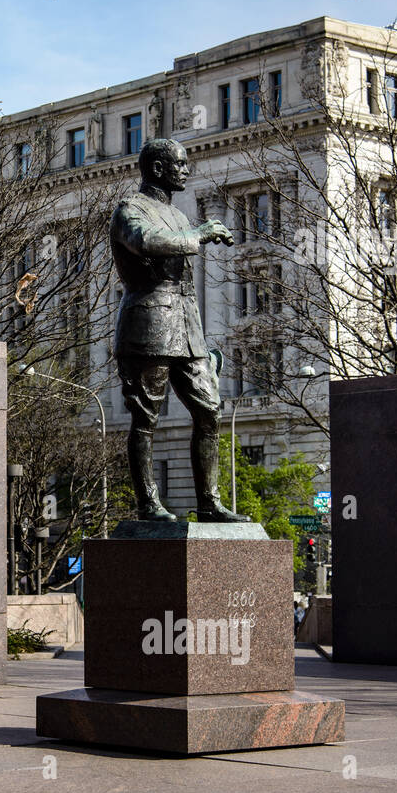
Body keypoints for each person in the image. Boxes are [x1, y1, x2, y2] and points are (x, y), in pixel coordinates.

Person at [110, 137, 249, 522]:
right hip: (148, 322)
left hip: (188, 329)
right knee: (146, 418)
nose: (186, 170)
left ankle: (209, 502)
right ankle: (149, 504)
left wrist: (195, 232)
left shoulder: (181, 217)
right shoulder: (130, 209)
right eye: (181, 164)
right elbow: (145, 242)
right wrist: (200, 235)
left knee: (210, 411)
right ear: (157, 168)